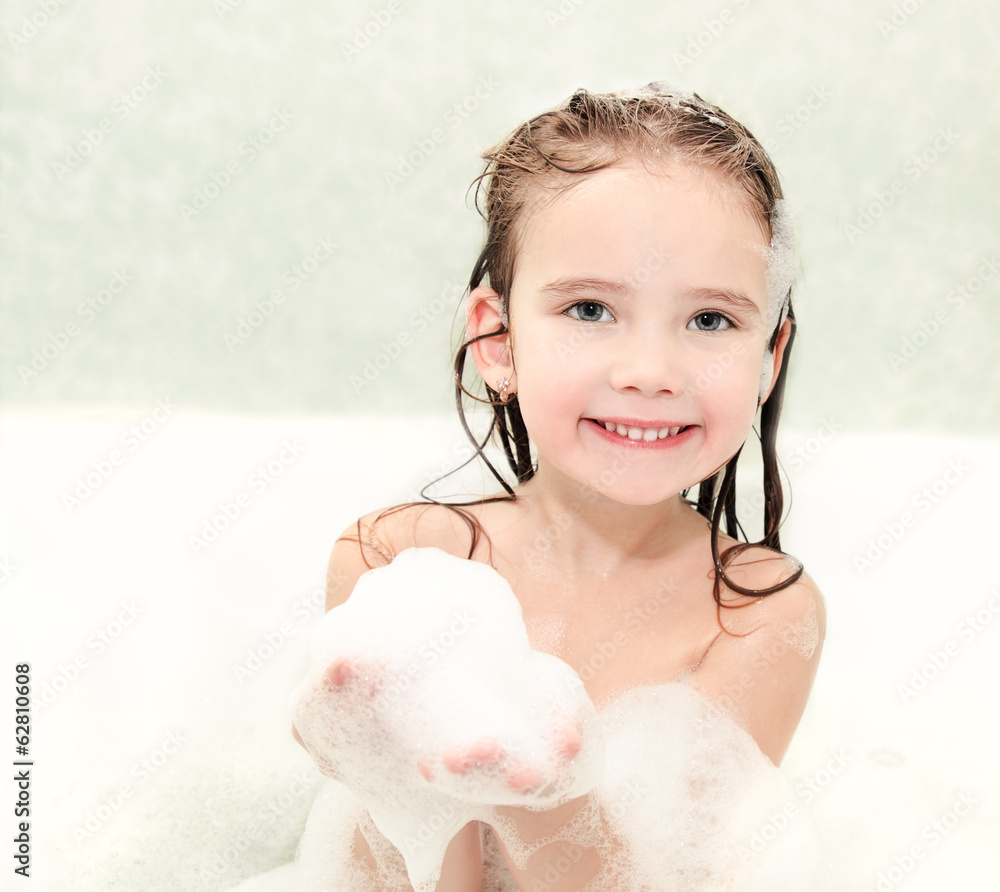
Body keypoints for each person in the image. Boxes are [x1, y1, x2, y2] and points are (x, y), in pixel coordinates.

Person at [287, 83, 826, 892]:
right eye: (589, 308)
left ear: (769, 358)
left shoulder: (759, 611)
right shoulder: (397, 557)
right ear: (498, 343)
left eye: (710, 320)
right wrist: (412, 768)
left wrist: (539, 791)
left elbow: (669, 877)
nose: (650, 373)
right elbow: (404, 866)